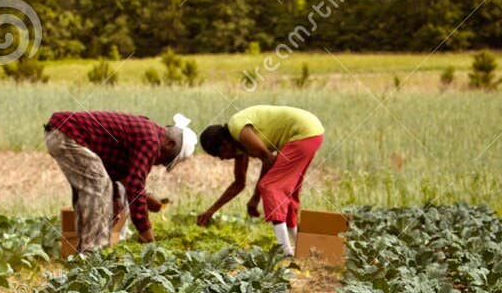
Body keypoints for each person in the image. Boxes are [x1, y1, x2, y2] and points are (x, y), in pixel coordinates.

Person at [44, 109, 197, 252]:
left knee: (95, 189)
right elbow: (134, 185)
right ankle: (92, 253)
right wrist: (146, 231)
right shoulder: (151, 141)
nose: (160, 163)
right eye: (166, 159)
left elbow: (115, 171)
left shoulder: (148, 132)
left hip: (61, 132)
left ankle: (80, 249)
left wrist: (118, 197)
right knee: (99, 189)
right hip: (68, 134)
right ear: (170, 143)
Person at [197, 105, 325, 254]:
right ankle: (299, 246)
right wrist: (211, 211)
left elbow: (269, 160)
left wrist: (257, 197)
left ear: (224, 144)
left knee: (272, 187)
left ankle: (286, 251)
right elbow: (239, 183)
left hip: (303, 133)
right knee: (286, 192)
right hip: (311, 132)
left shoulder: (238, 130)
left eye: (219, 155)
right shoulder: (239, 146)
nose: (222, 159)